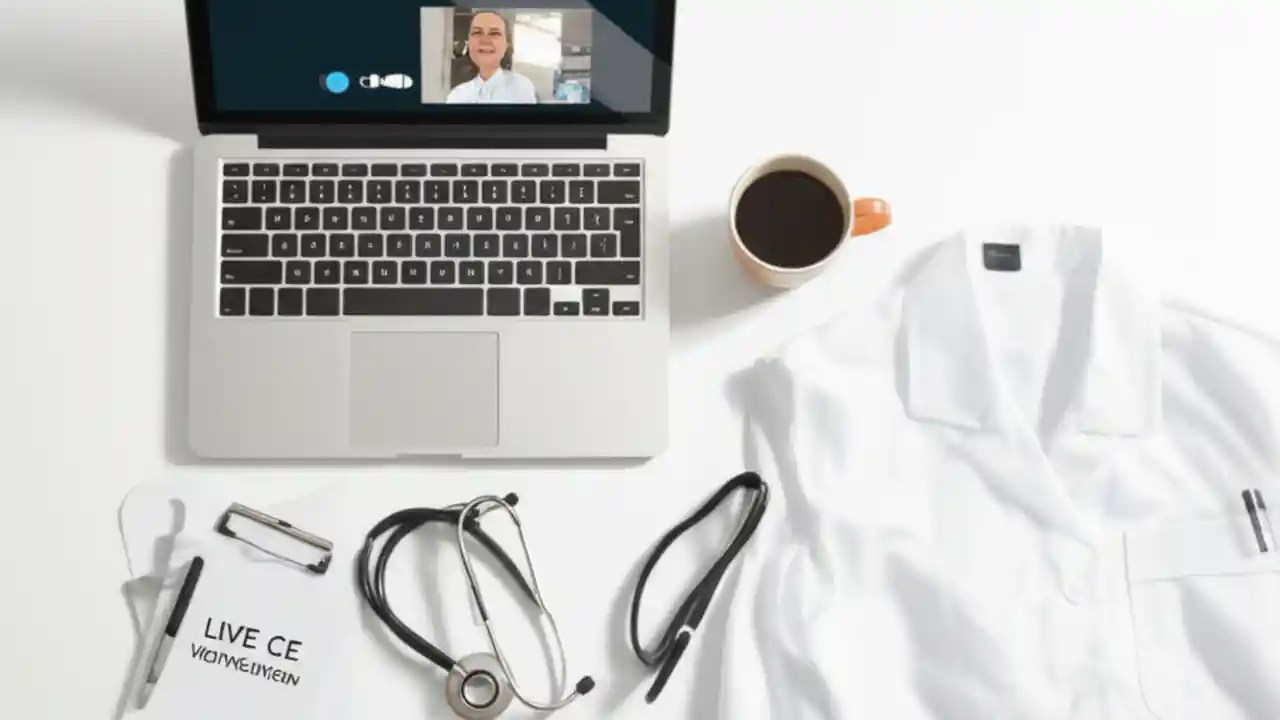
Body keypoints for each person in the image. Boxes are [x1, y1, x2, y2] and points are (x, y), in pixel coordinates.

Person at [446, 11, 538, 104]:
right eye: (477, 32)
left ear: (507, 44)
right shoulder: (457, 97)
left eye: (494, 33)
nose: (485, 40)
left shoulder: (522, 89)